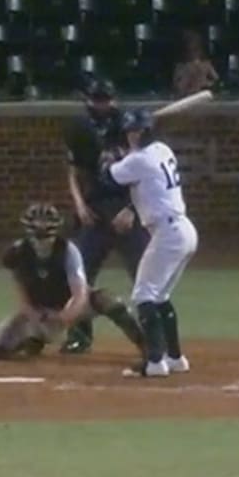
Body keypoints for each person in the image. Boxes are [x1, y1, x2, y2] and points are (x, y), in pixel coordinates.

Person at [104, 108, 198, 378]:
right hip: (183, 230)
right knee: (160, 296)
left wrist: (112, 156)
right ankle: (175, 357)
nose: (131, 136)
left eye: (135, 132)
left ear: (144, 132)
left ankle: (155, 362)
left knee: (144, 295)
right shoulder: (162, 149)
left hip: (168, 232)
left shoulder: (140, 160)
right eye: (129, 132)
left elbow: (109, 178)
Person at [0, 203, 144, 360]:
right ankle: (34, 338)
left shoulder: (67, 250)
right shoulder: (17, 252)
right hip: (41, 309)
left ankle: (145, 344)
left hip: (68, 305)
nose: (42, 239)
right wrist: (34, 315)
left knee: (107, 300)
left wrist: (64, 318)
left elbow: (79, 294)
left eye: (47, 231)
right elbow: (21, 290)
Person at [58, 79, 149, 355]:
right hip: (95, 211)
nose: (101, 104)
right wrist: (80, 206)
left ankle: (153, 339)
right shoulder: (81, 129)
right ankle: (79, 335)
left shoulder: (129, 126)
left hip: (125, 210)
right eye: (96, 99)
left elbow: (145, 174)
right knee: (79, 274)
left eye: (106, 99)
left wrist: (132, 209)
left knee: (144, 277)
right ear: (88, 99)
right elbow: (74, 171)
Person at [172, 29, 218, 97]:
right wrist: (188, 73)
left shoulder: (206, 65)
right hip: (186, 99)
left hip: (202, 98)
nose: (193, 54)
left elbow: (216, 81)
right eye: (190, 50)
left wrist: (206, 83)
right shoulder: (180, 67)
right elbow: (178, 88)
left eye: (196, 49)